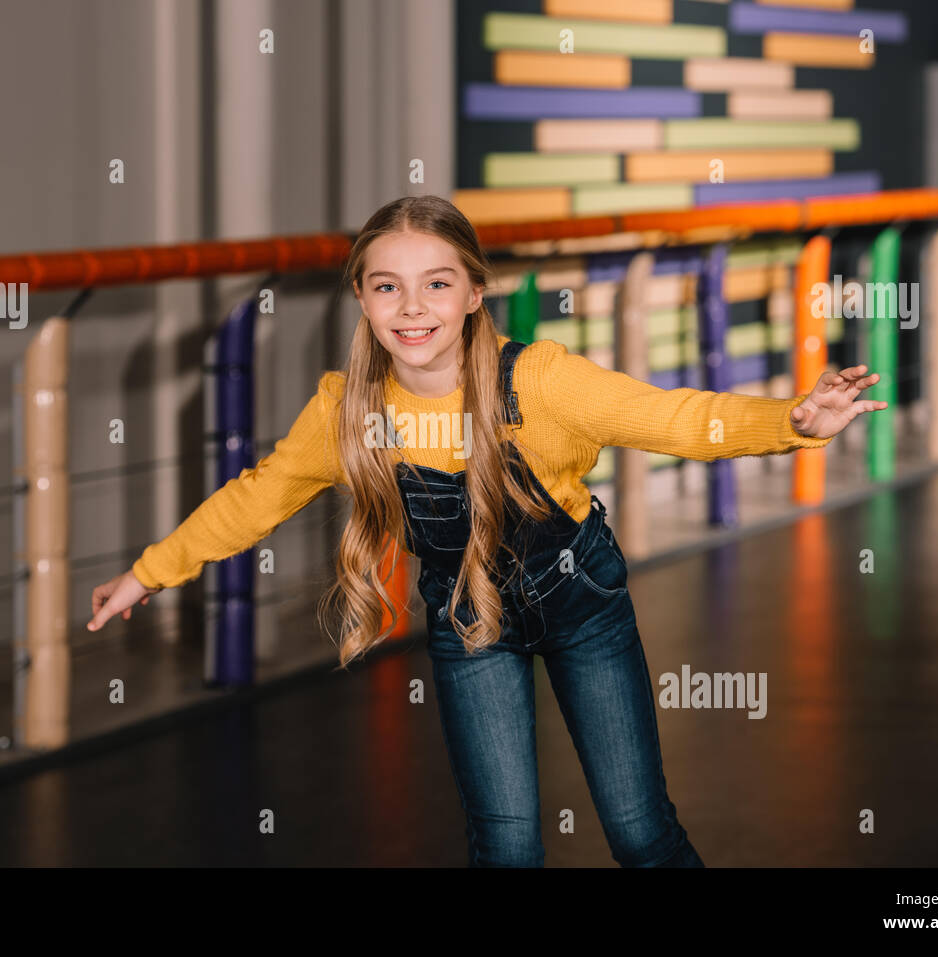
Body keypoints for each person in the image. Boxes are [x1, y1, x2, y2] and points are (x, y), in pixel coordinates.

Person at [87, 194, 887, 867]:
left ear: (475, 292)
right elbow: (257, 497)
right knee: (505, 848)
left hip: (584, 604)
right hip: (470, 621)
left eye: (437, 284)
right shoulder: (348, 412)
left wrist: (790, 419)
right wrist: (150, 571)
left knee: (641, 833)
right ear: (361, 299)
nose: (412, 309)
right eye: (387, 287)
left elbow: (672, 417)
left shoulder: (538, 382)